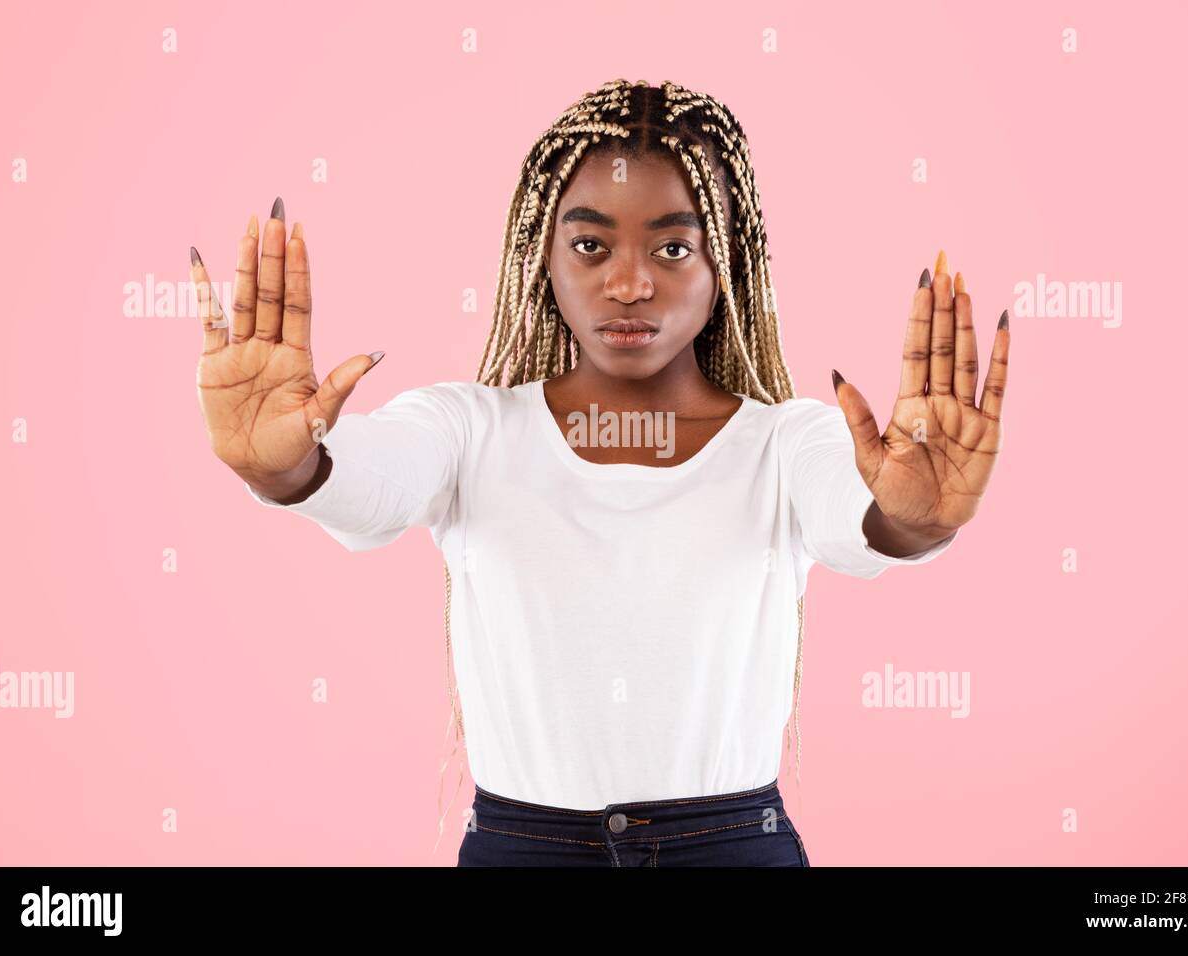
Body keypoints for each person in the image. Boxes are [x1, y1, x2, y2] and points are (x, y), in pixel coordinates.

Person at [189, 79, 1010, 867]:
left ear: (727, 265)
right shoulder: (468, 429)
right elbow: (371, 480)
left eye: (673, 246)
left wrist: (917, 518)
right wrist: (287, 464)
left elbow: (861, 511)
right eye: (590, 244)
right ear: (540, 257)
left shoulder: (784, 445)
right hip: (522, 848)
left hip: (728, 847)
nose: (629, 282)